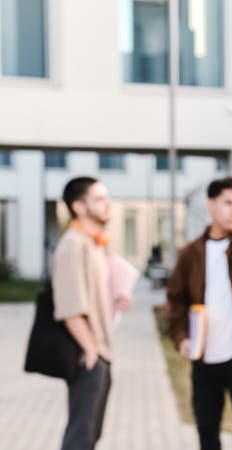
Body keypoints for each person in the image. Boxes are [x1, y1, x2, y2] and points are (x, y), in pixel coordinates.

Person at [166, 176, 232, 450]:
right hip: (204, 356)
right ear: (211, 205)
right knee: (207, 427)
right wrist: (181, 339)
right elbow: (176, 300)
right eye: (228, 203)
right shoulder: (191, 253)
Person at [52, 176, 133, 450]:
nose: (107, 204)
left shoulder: (94, 244)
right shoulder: (73, 245)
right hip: (88, 355)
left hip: (100, 352)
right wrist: (91, 353)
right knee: (81, 438)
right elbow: (69, 308)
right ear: (78, 206)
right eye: (99, 199)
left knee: (90, 435)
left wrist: (116, 299)